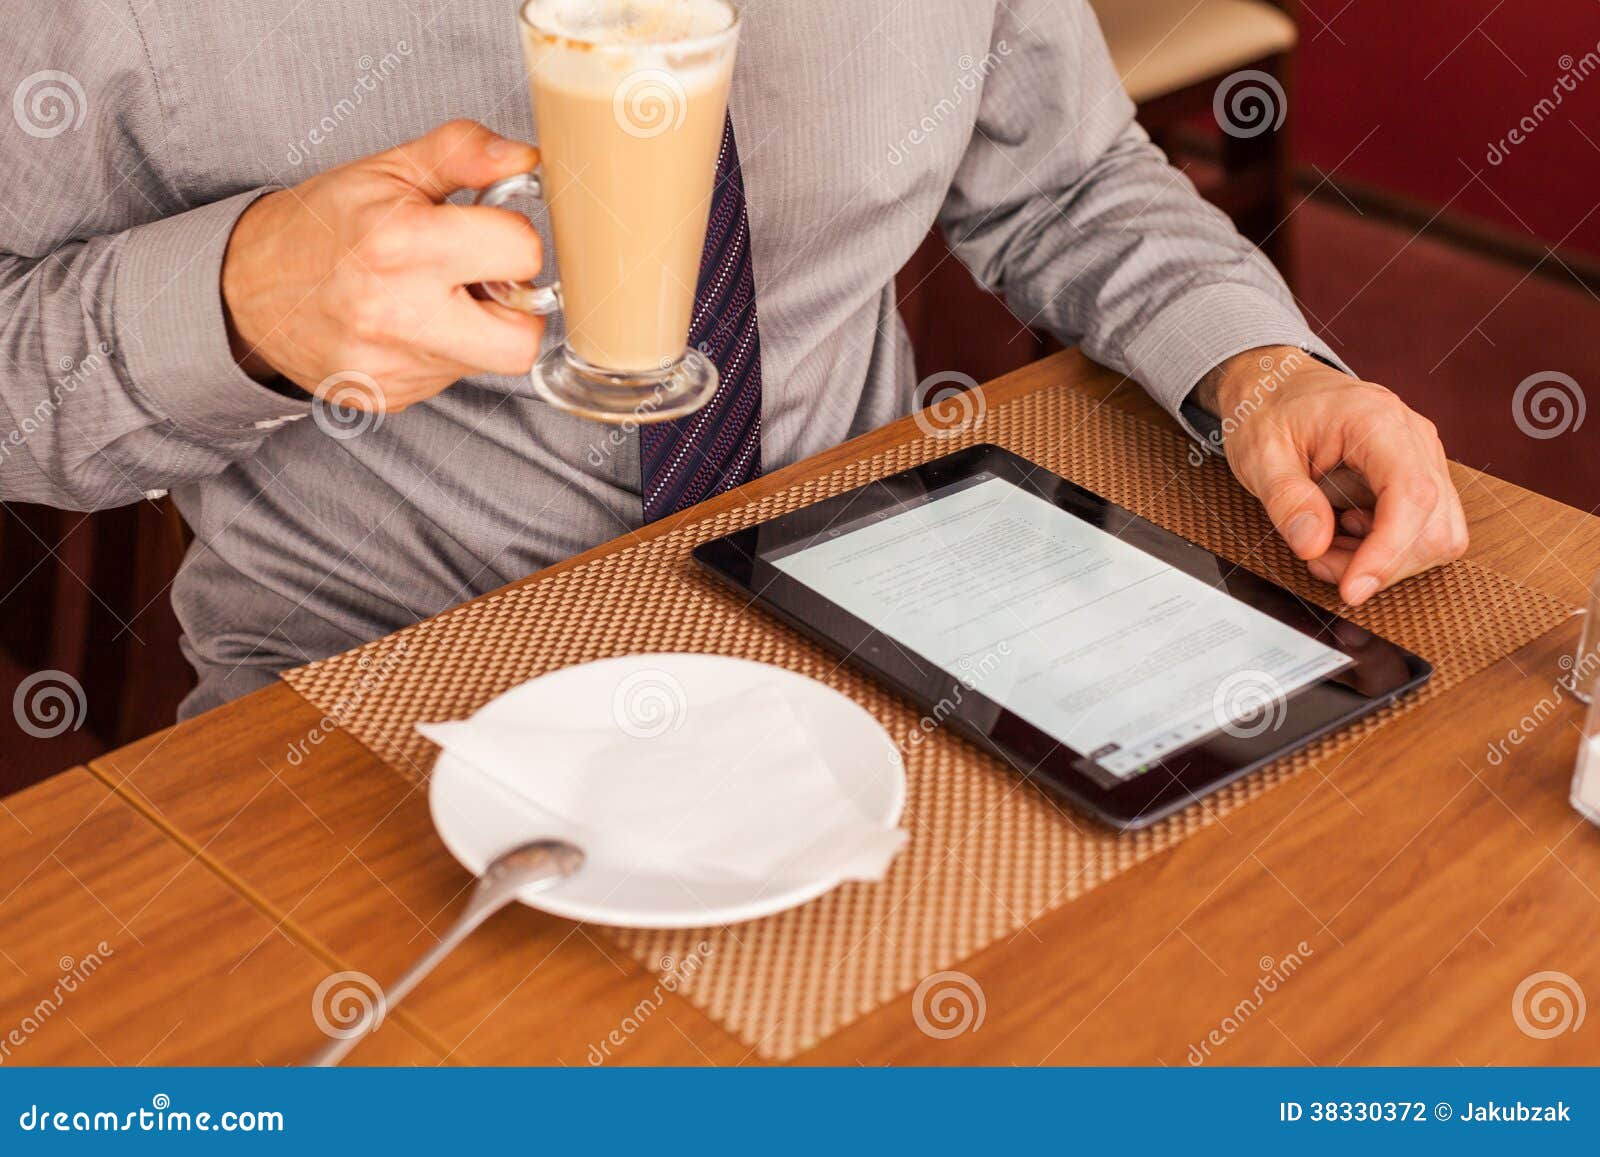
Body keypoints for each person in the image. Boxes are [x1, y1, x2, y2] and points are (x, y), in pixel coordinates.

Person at [0, 1, 1465, 716]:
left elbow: (1070, 178)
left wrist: (1265, 370)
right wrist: (240, 304)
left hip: (887, 611)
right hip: (388, 682)